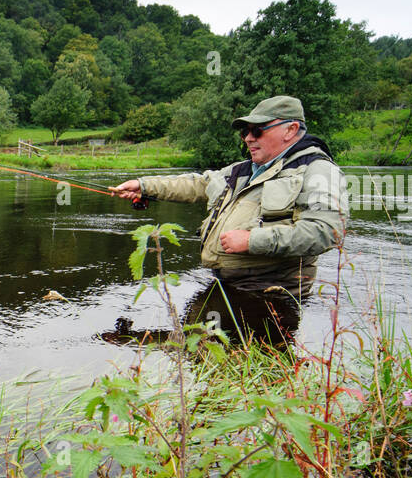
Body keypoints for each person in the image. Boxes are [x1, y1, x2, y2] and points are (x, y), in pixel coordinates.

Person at [111, 95, 349, 347]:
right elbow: (198, 184)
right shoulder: (244, 169)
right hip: (228, 287)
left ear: (290, 129)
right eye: (246, 131)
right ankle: (141, 343)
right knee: (202, 353)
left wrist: (252, 241)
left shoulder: (318, 170)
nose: (248, 138)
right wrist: (145, 186)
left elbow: (328, 231)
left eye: (257, 130)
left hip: (271, 299)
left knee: (226, 360)